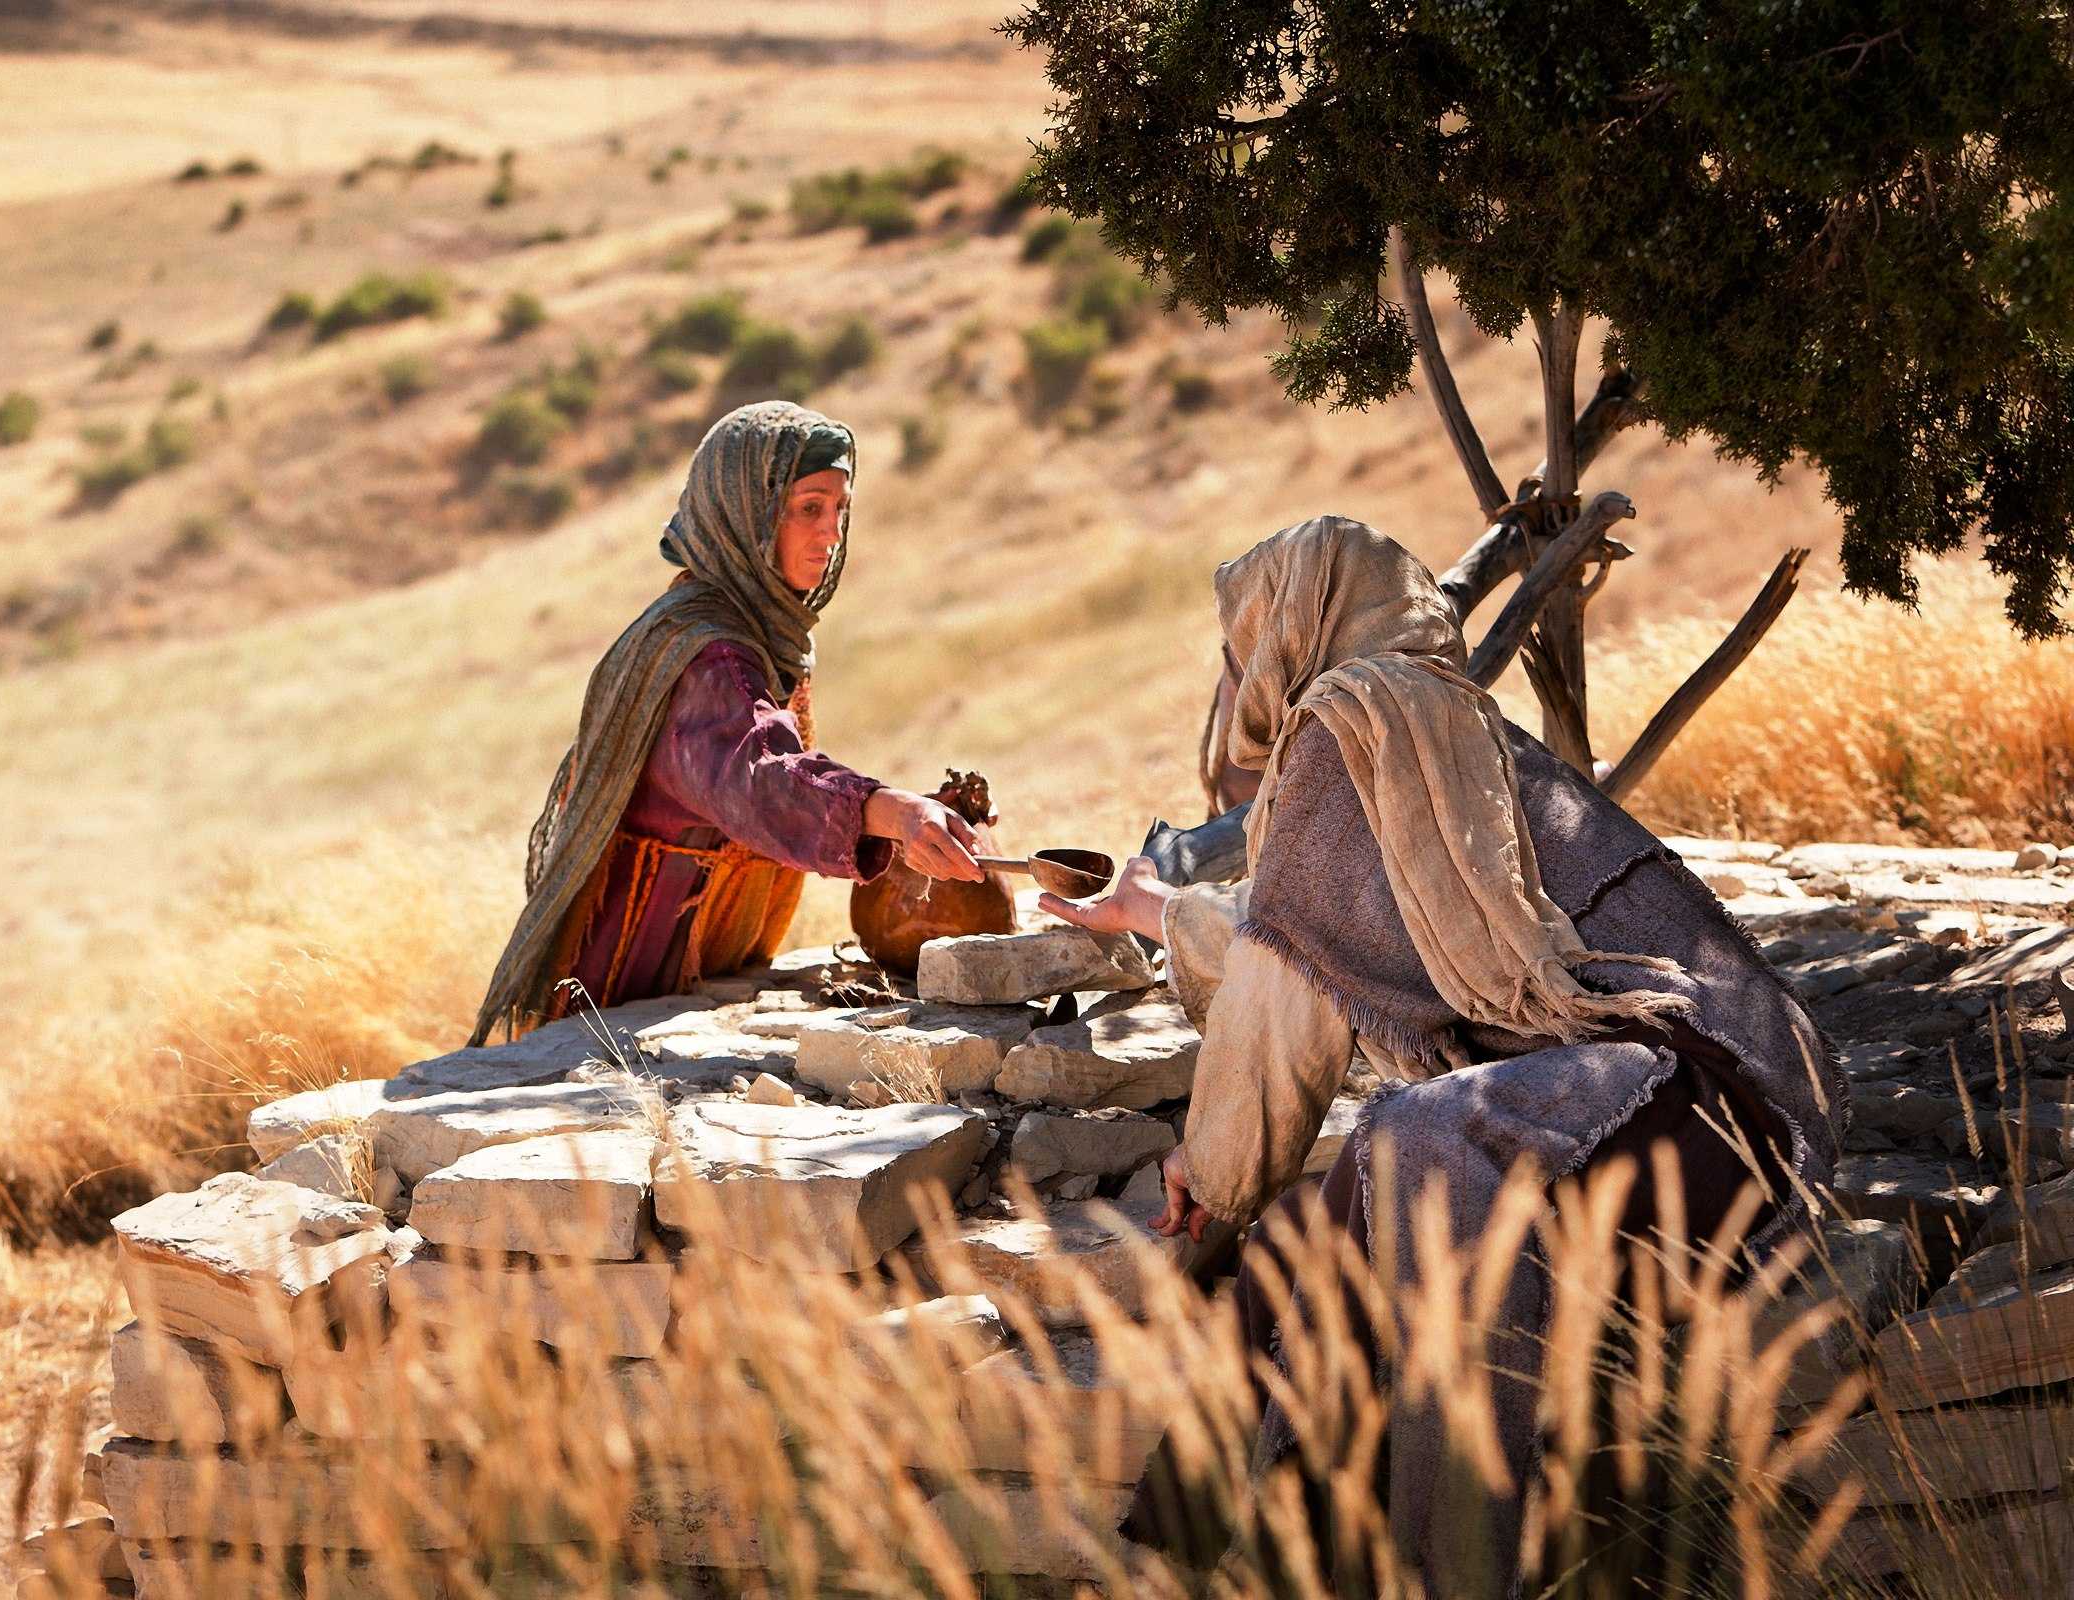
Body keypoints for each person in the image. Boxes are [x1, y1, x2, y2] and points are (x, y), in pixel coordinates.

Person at [1041, 515, 1844, 1594]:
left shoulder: (1352, 718)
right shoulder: (1436, 726)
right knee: (1308, 1232)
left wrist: (1214, 1165)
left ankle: (1451, 1563)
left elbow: (1287, 990)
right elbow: (1321, 943)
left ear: (1288, 631)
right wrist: (1156, 913)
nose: (1235, 675)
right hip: (1704, 1095)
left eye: (1239, 646)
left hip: (1702, 1093)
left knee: (1413, 1137)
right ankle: (1207, 1553)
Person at [472, 401, 983, 1044]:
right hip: (623, 995)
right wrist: (892, 812)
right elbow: (761, 777)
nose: (830, 534)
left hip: (692, 980)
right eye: (807, 508)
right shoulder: (708, 655)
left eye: (839, 509)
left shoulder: (754, 634)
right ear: (744, 510)